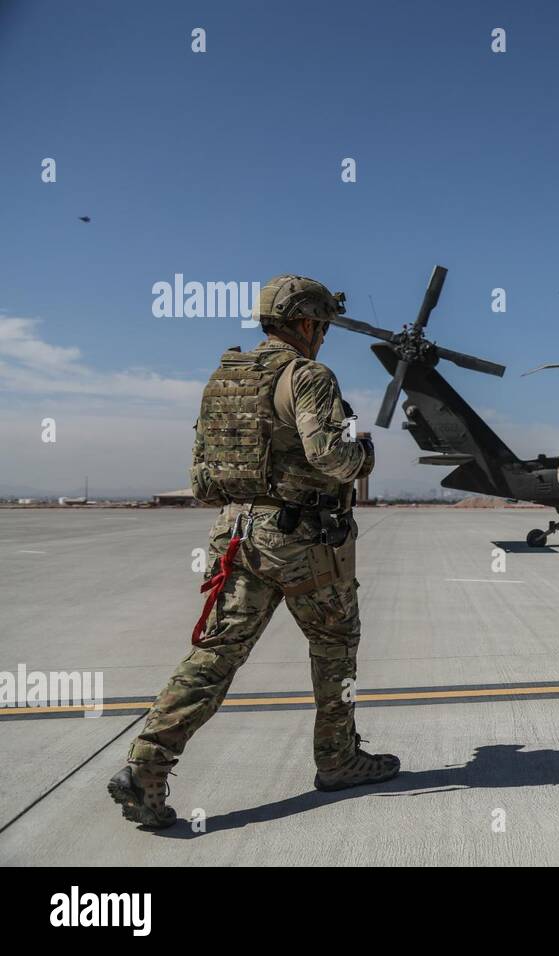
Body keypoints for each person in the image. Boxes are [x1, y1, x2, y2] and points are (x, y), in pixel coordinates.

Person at [108, 274, 396, 829]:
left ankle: (147, 764)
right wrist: (362, 454)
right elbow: (329, 458)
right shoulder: (309, 375)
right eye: (322, 327)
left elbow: (200, 478)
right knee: (335, 642)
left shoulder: (224, 378)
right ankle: (337, 760)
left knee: (218, 652)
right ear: (307, 323)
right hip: (302, 542)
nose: (323, 338)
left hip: (236, 535)